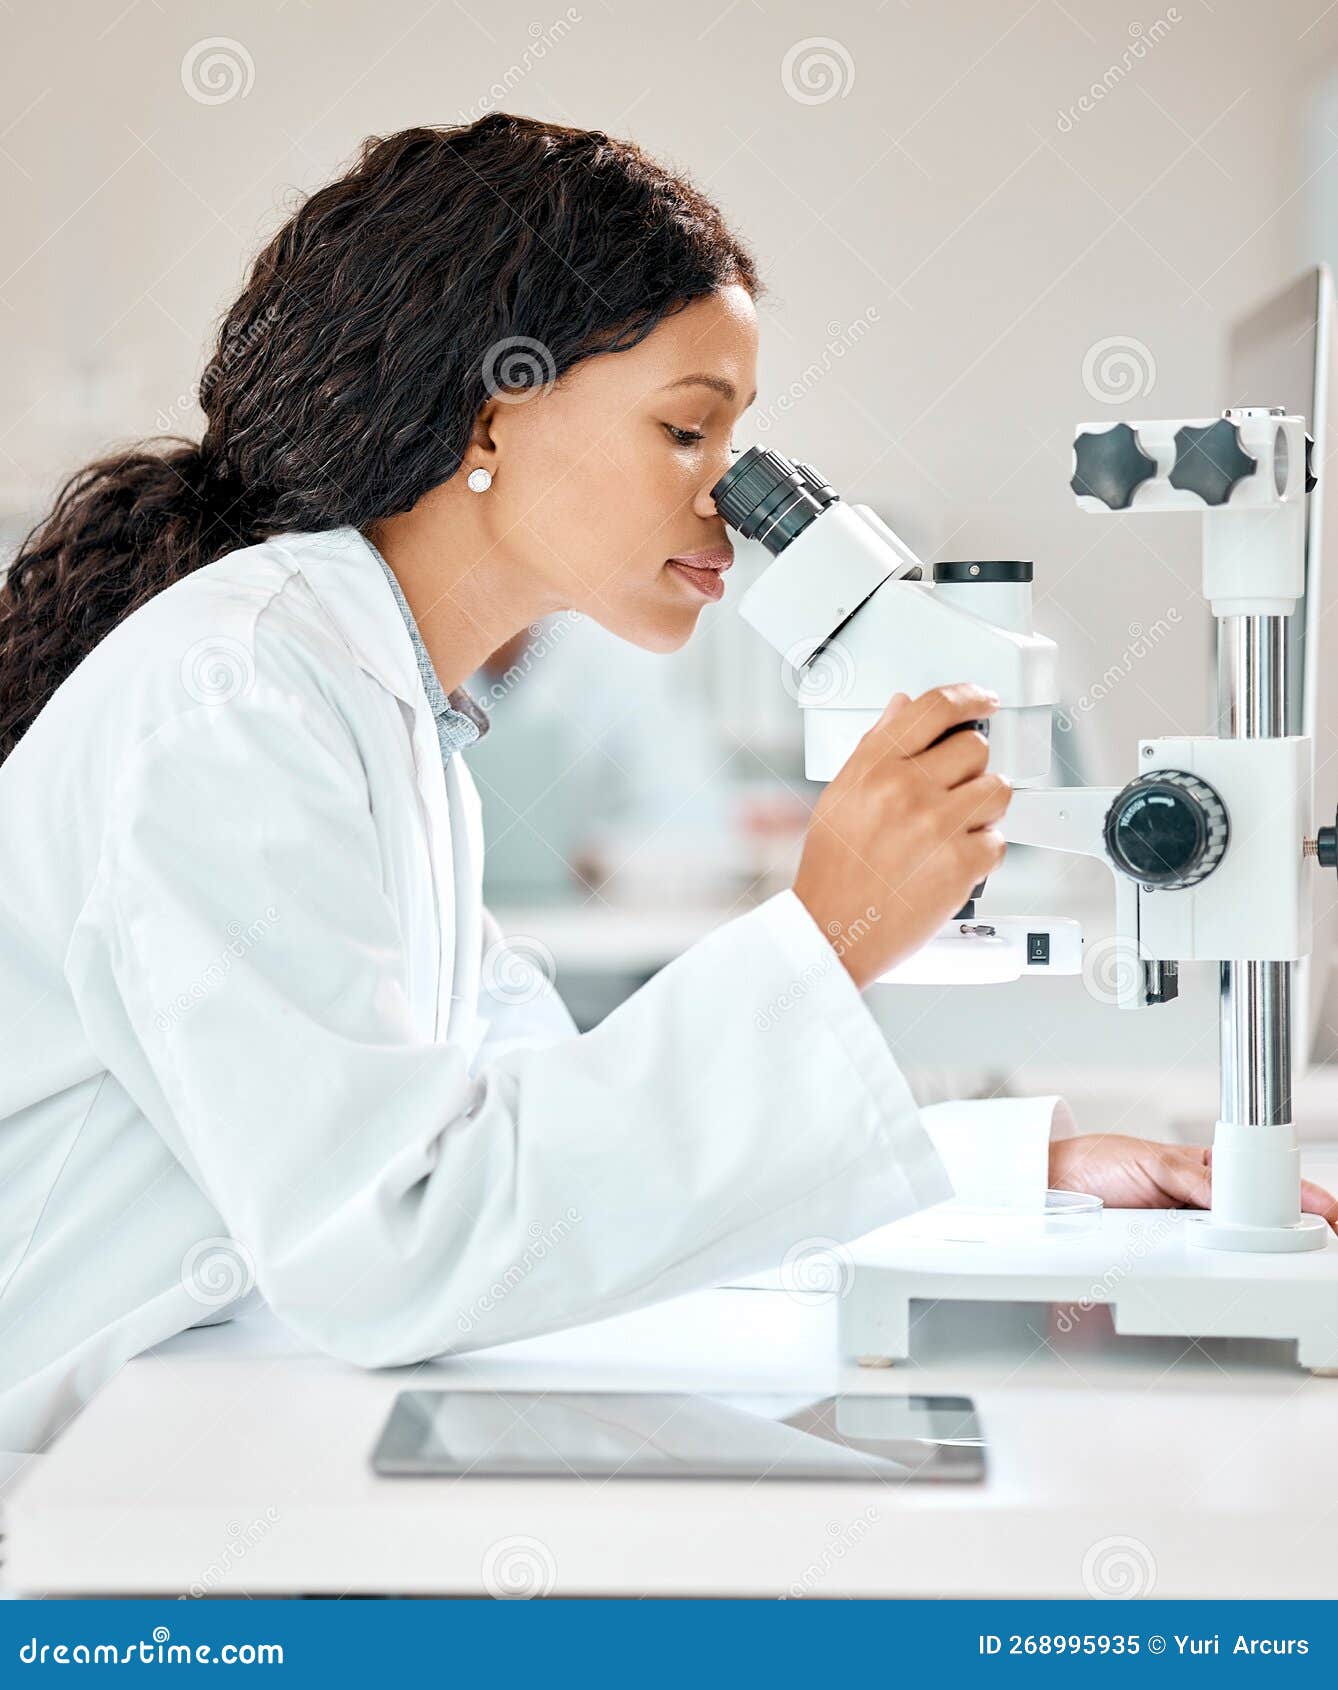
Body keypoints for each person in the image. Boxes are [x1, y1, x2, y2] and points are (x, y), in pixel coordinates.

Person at [1, 114, 1333, 1465]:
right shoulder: (240, 699)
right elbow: (397, 1243)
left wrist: (1005, 1174)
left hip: (180, 1432)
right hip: (71, 1487)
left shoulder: (379, 701)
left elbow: (533, 1136)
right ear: (489, 414)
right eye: (688, 429)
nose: (727, 500)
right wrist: (832, 930)